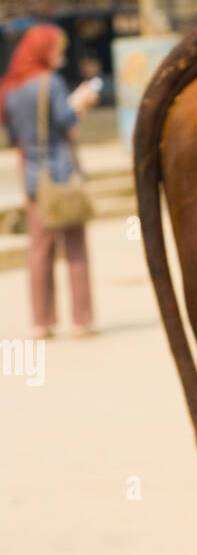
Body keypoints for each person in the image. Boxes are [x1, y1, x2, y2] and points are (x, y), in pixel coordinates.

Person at [0, 24, 100, 338]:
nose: (61, 55)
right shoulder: (51, 84)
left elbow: (14, 136)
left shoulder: (11, 89)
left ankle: (41, 321)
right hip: (61, 175)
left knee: (39, 249)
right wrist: (81, 103)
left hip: (32, 177)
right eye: (57, 48)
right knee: (74, 247)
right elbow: (67, 124)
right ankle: (81, 319)